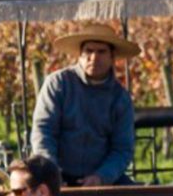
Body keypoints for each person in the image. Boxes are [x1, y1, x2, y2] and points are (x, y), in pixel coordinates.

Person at [30, 22, 141, 186]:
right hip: (56, 175)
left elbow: (122, 149)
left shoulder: (120, 98)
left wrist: (102, 176)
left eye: (101, 52)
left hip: (102, 179)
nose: (94, 57)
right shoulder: (58, 84)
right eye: (89, 51)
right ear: (80, 55)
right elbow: (43, 132)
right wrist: (51, 173)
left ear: (112, 57)